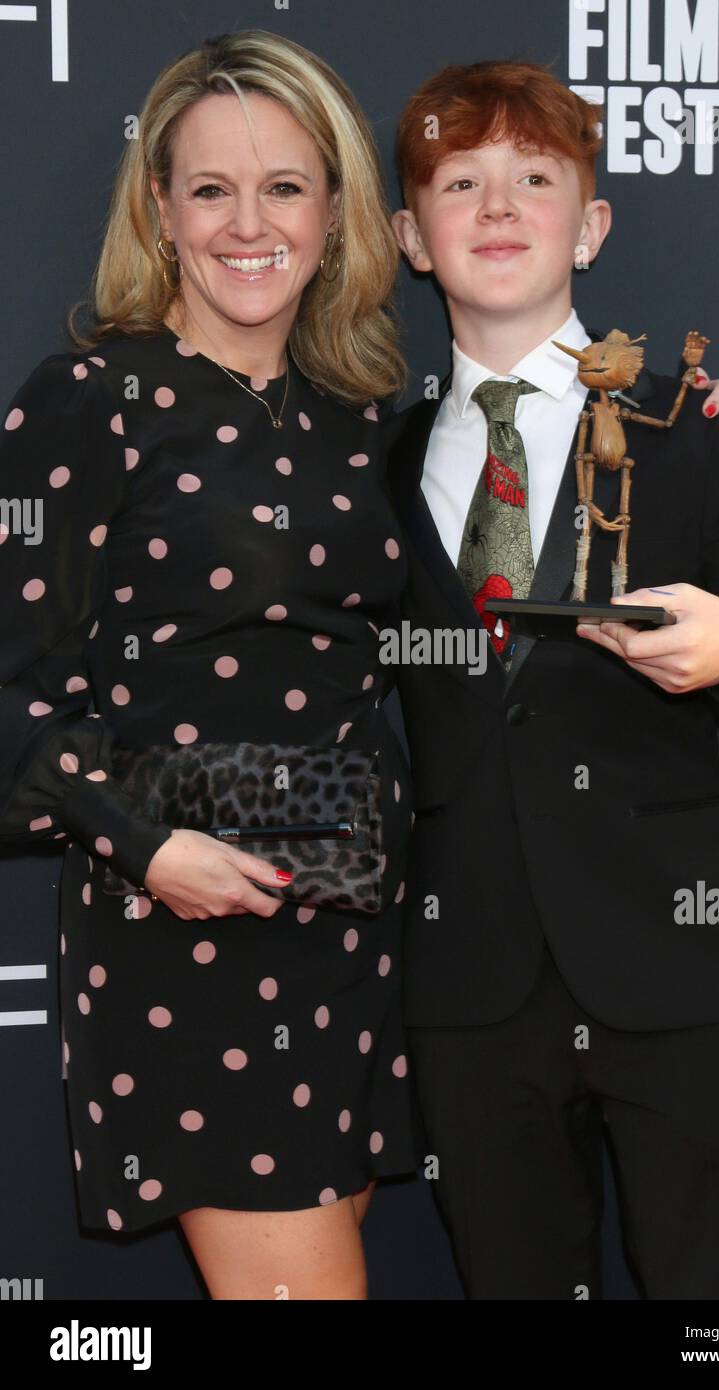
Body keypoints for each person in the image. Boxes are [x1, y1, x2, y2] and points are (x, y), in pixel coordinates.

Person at [385, 60, 719, 1299]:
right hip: (469, 995)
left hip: (678, 976)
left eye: (535, 180)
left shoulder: (684, 429)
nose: (498, 208)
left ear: (589, 227)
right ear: (409, 237)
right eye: (460, 181)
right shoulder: (365, 464)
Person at [0, 30, 423, 1300]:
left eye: (284, 187)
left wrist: (689, 434)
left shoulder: (363, 421)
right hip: (183, 931)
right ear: (161, 210)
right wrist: (147, 846)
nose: (251, 223)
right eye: (212, 189)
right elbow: (11, 690)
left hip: (351, 924)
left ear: (337, 210)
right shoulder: (89, 400)